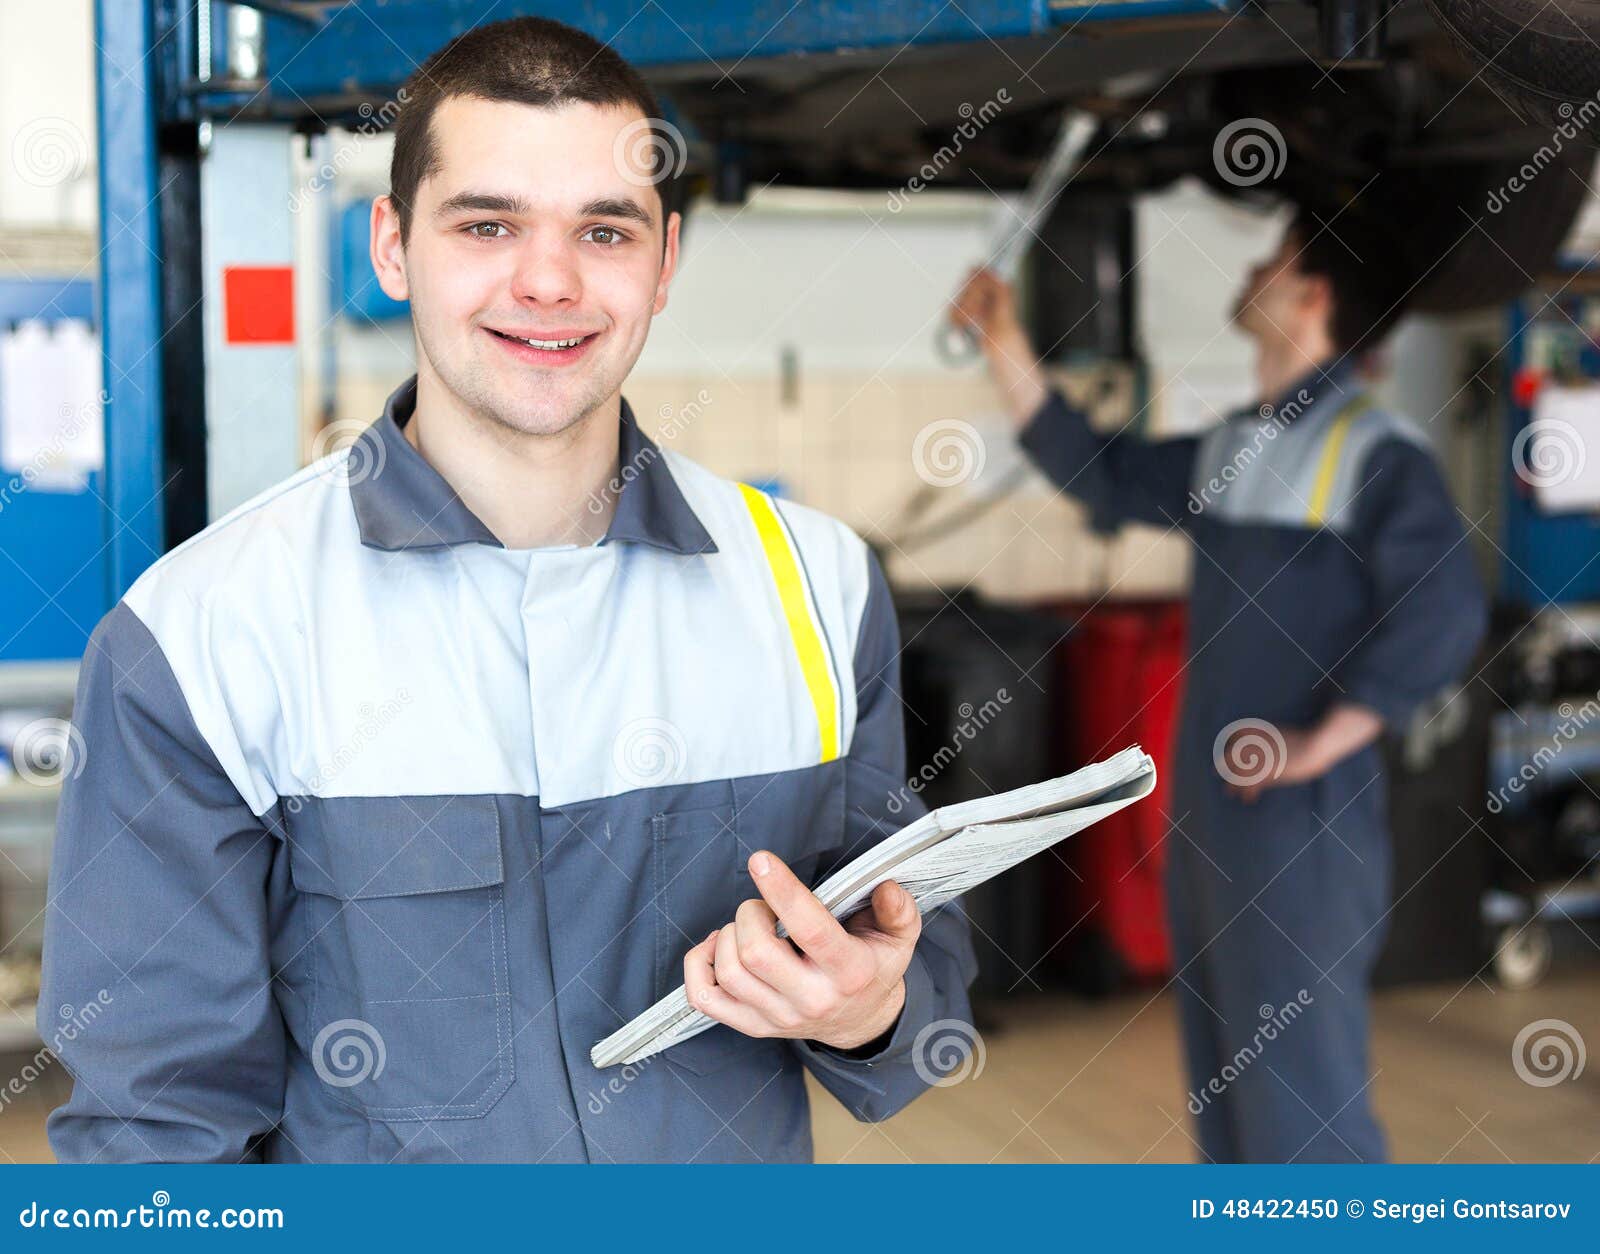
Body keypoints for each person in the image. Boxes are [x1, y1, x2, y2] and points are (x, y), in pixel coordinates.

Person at [40, 15, 975, 1164]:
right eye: (488, 224)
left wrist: (867, 1007)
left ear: (664, 261)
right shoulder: (202, 631)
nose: (549, 280)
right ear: (393, 247)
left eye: (604, 229)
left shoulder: (815, 583)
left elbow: (917, 967)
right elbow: (155, 1129)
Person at [950, 210, 1487, 1162]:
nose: (1253, 270)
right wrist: (1005, 342)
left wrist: (1325, 739)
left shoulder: (1375, 451)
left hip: (1301, 826)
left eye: (1274, 260)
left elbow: (1445, 608)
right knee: (1228, 1105)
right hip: (1217, 821)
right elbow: (1104, 476)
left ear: (1314, 298)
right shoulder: (1242, 443)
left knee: (1301, 1113)